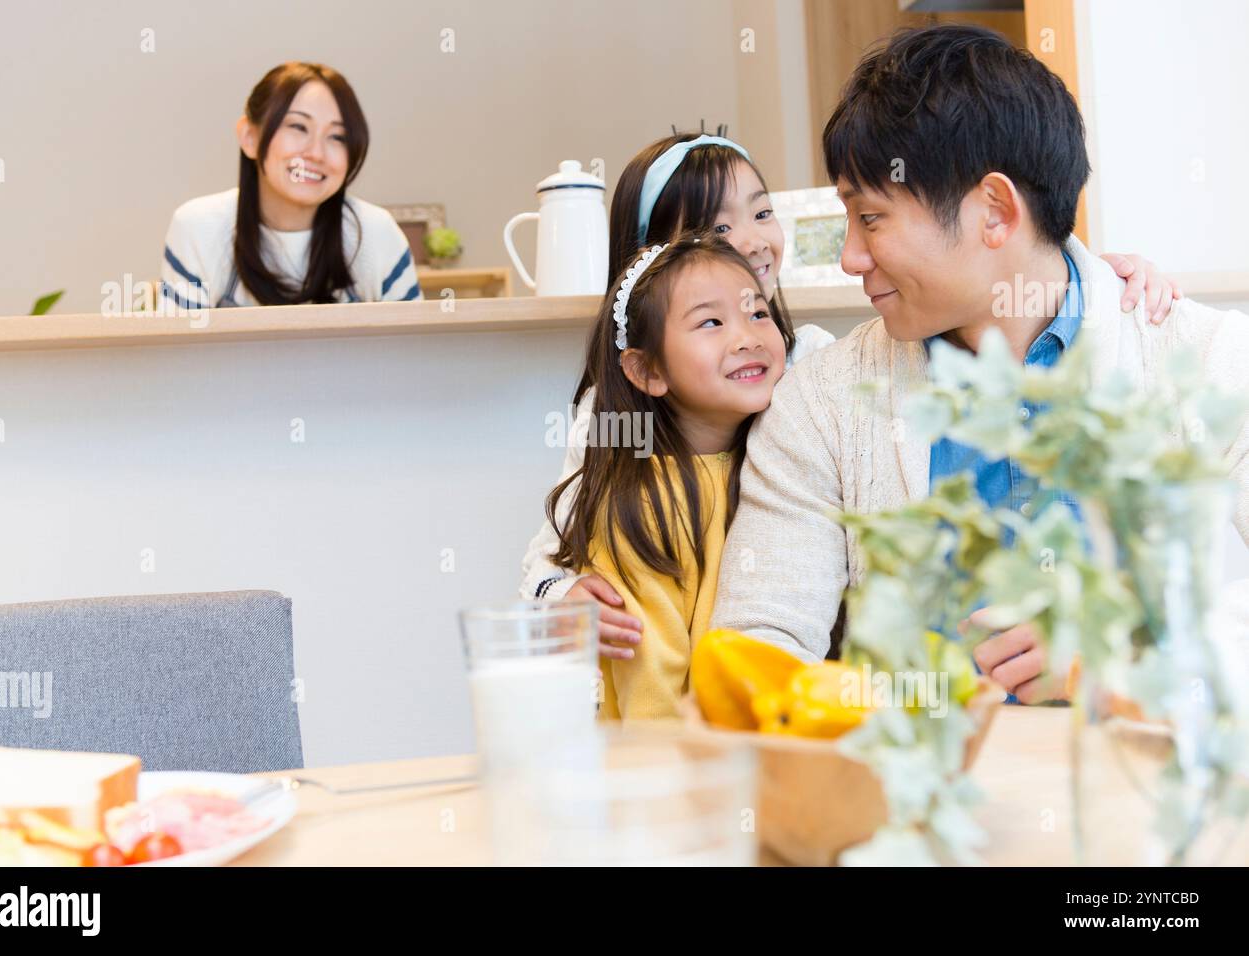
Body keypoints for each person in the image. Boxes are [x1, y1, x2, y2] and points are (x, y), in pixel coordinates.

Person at [710, 25, 1249, 704]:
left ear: (994, 211)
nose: (850, 257)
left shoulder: (1205, 359)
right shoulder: (820, 401)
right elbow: (756, 653)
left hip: (1132, 790)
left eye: (871, 218)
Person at [518, 131, 1174, 664]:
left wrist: (1087, 277)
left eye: (763, 212)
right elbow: (551, 553)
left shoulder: (807, 366)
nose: (752, 241)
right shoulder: (615, 419)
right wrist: (561, 595)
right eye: (717, 234)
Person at [547, 233, 787, 718]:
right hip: (678, 770)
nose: (748, 336)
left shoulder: (787, 461)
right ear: (648, 371)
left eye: (758, 312)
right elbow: (651, 693)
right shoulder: (640, 507)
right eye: (711, 322)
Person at [161, 61, 420, 309]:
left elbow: (415, 352)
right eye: (298, 126)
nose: (316, 153)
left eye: (337, 136)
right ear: (249, 136)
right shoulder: (199, 229)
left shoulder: (376, 234)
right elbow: (182, 353)